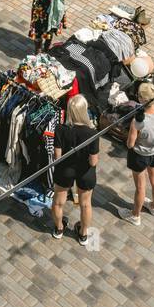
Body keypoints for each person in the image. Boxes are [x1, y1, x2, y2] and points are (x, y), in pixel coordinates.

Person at [117, 82, 154, 224]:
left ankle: (135, 215)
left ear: (142, 99)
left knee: (140, 187)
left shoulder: (138, 121)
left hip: (139, 156)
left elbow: (130, 144)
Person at [51, 95, 98, 245]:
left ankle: (59, 229)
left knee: (58, 202)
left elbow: (57, 156)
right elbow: (93, 161)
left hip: (65, 168)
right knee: (85, 204)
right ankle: (83, 234)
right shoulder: (92, 133)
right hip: (85, 171)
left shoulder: (60, 129)